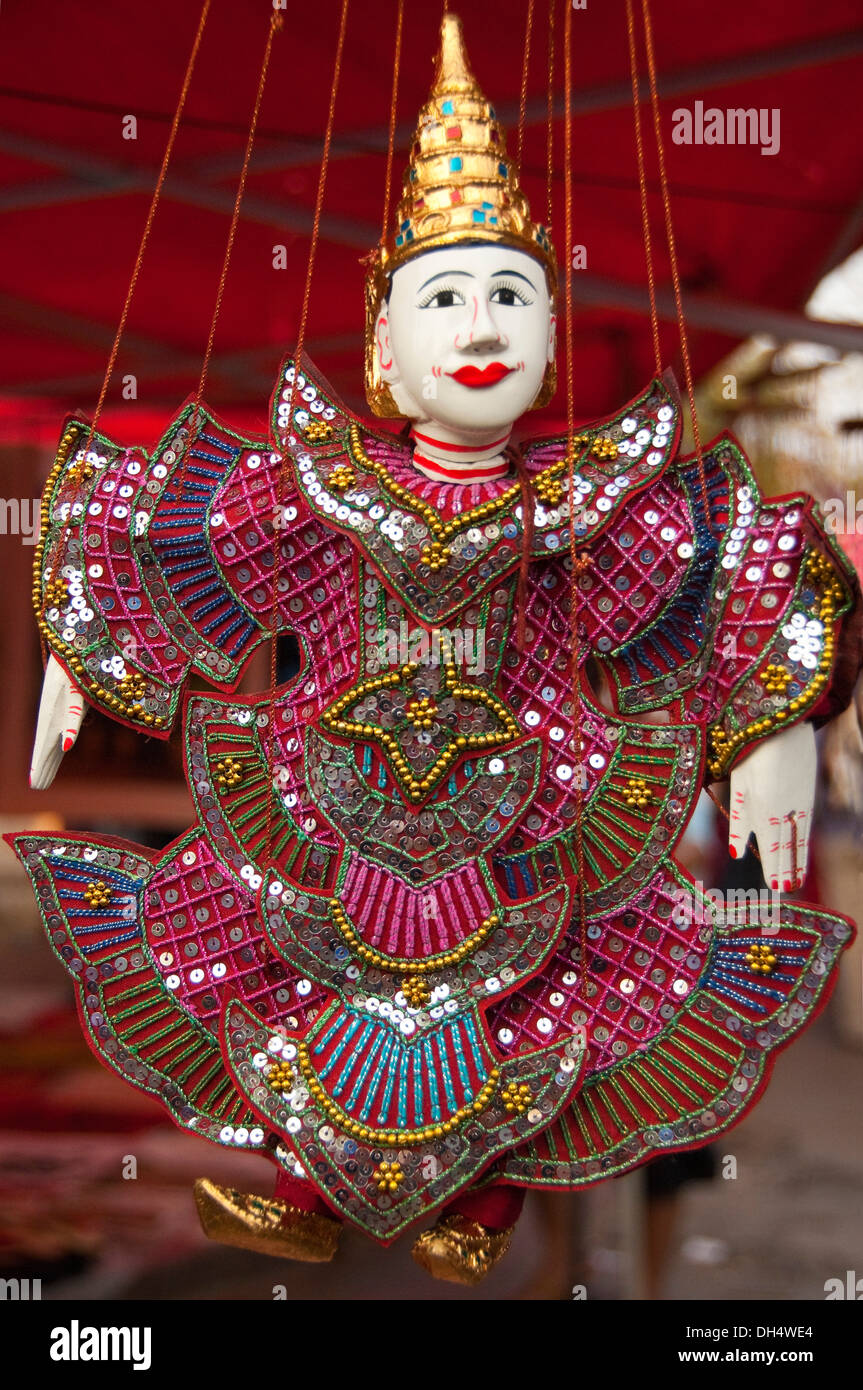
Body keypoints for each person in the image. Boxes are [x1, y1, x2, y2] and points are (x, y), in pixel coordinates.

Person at [13, 13, 861, 1287]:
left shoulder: (581, 505)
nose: (484, 322)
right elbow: (170, 528)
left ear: (551, 334)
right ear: (383, 347)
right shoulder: (319, 486)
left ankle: (486, 1198)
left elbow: (714, 561)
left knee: (536, 990)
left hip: (531, 790)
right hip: (330, 788)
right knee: (300, 969)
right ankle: (305, 1181)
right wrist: (89, 647)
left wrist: (768, 723)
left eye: (514, 294)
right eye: (446, 296)